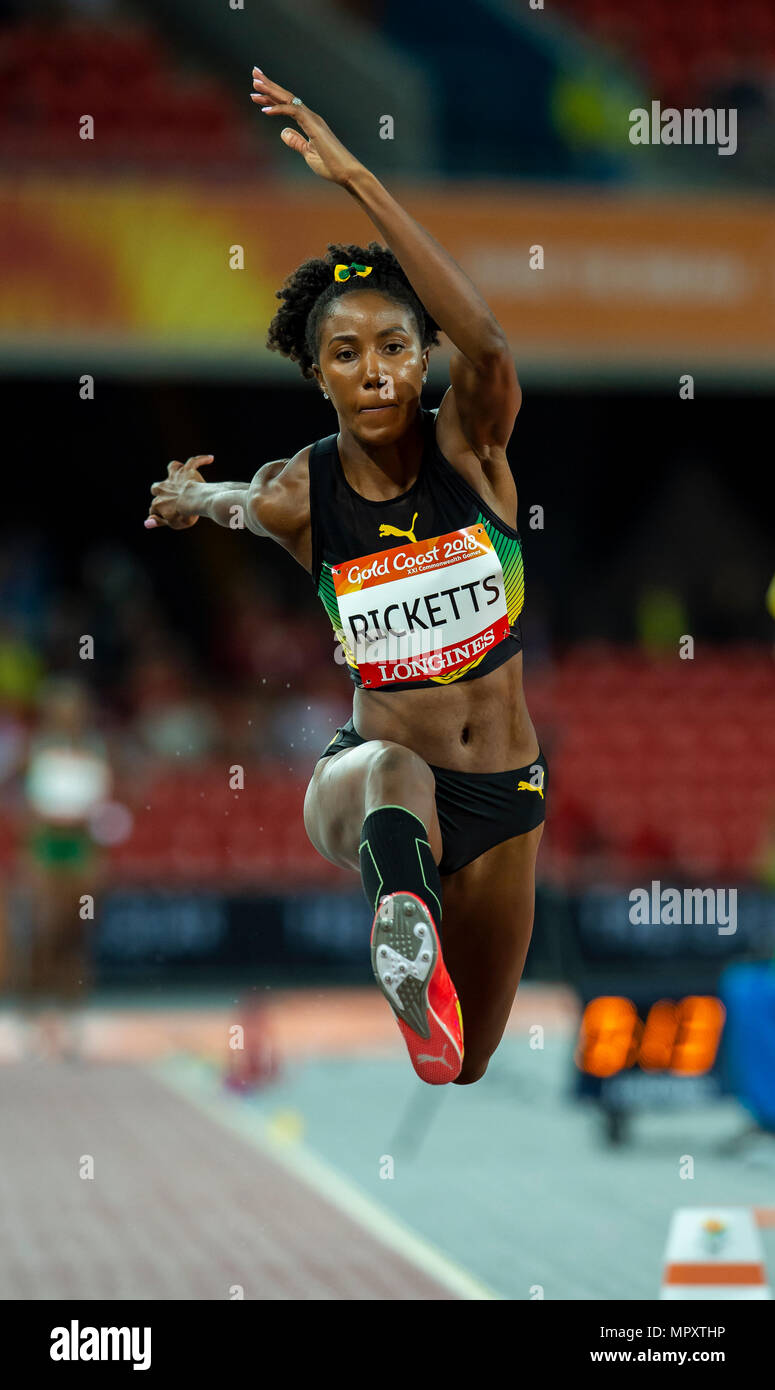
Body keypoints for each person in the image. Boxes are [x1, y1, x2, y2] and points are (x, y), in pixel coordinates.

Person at [145, 66, 547, 1086]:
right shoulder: (300, 495)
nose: (373, 369)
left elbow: (491, 343)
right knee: (394, 771)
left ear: (422, 363)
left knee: (463, 1063)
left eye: (395, 347)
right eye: (346, 352)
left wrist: (358, 177)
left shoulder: (472, 451)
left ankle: (420, 980)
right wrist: (190, 500)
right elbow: (237, 500)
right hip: (370, 774)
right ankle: (399, 918)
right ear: (316, 371)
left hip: (504, 786)